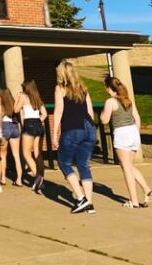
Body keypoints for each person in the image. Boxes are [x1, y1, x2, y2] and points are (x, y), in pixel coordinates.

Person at [99, 77, 152, 208]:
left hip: (121, 134)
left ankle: (133, 201)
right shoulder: (128, 100)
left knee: (126, 169)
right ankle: (147, 190)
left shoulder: (110, 102)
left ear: (108, 88)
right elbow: (137, 118)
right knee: (129, 166)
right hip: (133, 132)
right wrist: (135, 133)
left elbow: (104, 120)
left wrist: (102, 113)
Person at [52, 61, 97, 214]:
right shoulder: (83, 88)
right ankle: (89, 203)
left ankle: (80, 198)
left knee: (64, 162)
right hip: (89, 128)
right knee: (84, 165)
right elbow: (90, 111)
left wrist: (54, 133)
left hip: (72, 128)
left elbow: (58, 111)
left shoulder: (60, 89)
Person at [14, 79, 48, 192]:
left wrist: (18, 98)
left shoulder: (23, 97)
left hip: (29, 124)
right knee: (37, 153)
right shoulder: (37, 98)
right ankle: (42, 178)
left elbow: (15, 109)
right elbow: (45, 114)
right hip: (38, 124)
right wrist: (39, 120)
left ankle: (37, 176)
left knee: (26, 153)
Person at [0, 87, 22, 187]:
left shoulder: (0, 103)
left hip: (5, 126)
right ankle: (19, 179)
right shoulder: (13, 103)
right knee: (16, 155)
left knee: (3, 155)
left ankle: (3, 178)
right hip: (15, 126)